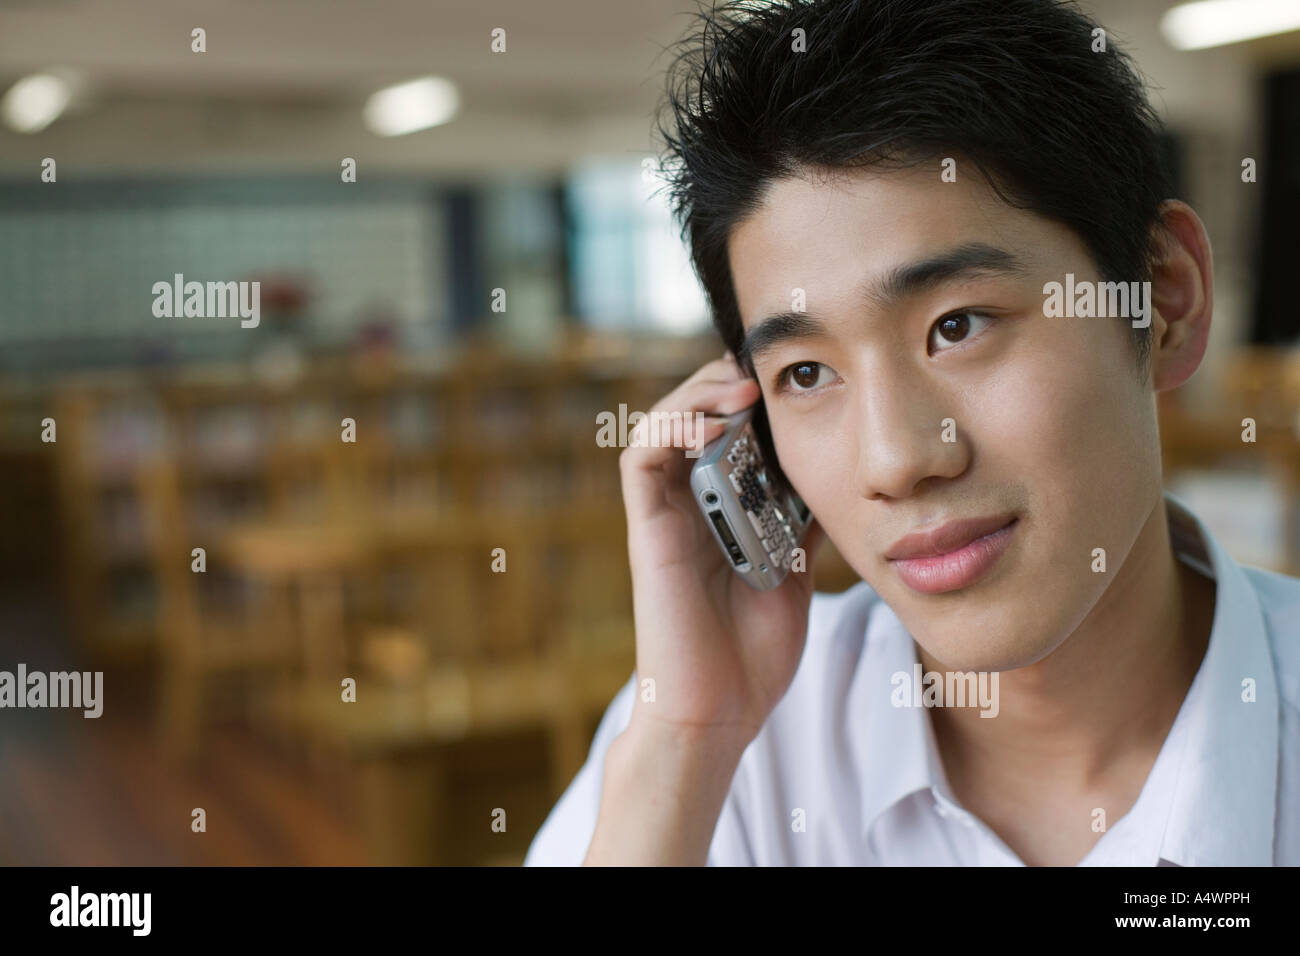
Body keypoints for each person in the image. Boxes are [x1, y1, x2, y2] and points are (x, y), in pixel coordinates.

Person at [525, 0, 1300, 865]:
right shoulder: (719, 740)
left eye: (959, 325)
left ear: (1164, 298)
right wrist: (686, 745)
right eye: (807, 375)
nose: (895, 460)